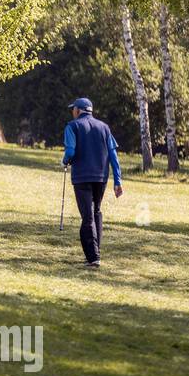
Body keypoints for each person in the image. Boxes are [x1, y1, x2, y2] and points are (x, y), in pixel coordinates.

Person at [61, 97, 123, 268]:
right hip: (101, 178)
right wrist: (117, 180)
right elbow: (113, 156)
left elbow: (70, 151)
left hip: (82, 177)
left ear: (78, 110)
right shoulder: (104, 127)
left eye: (73, 109)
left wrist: (65, 161)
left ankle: (93, 258)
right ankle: (95, 253)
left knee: (87, 216)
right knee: (96, 212)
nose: (72, 112)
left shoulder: (72, 126)